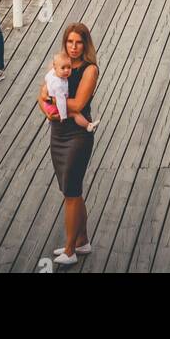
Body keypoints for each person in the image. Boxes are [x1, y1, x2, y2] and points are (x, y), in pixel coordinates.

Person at [39, 23, 99, 266]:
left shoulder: (89, 69)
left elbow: (77, 103)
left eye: (79, 42)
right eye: (70, 42)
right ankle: (82, 240)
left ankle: (70, 249)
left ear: (86, 44)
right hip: (58, 132)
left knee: (71, 193)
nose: (74, 47)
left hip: (77, 136)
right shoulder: (59, 65)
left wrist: (50, 99)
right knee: (71, 189)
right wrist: (48, 111)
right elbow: (40, 95)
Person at [42, 51, 97, 132]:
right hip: (55, 108)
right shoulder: (58, 85)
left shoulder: (52, 74)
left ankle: (49, 119)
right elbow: (61, 101)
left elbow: (47, 77)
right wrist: (63, 116)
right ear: (55, 67)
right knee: (75, 114)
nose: (66, 70)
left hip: (48, 106)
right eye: (63, 68)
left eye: (69, 67)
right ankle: (88, 125)